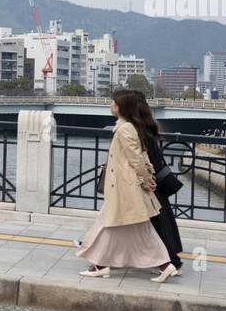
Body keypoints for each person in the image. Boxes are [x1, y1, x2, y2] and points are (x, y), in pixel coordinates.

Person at [77, 89, 178, 283]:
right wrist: (146, 177)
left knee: (112, 224)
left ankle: (101, 265)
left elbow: (136, 158)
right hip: (124, 188)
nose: (111, 105)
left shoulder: (124, 129)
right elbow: (140, 155)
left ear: (121, 107)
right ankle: (163, 265)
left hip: (125, 188)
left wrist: (145, 179)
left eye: (114, 103)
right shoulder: (126, 127)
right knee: (132, 230)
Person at [126, 90, 183, 276]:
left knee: (155, 221)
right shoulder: (146, 127)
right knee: (160, 220)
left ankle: (168, 261)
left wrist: (145, 179)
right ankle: (169, 259)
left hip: (148, 182)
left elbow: (140, 160)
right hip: (154, 180)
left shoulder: (136, 131)